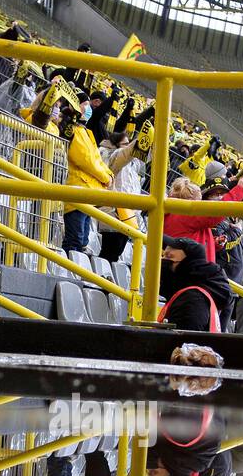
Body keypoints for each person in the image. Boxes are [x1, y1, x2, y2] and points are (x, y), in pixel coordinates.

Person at [61, 95, 113, 254]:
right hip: (78, 191)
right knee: (75, 240)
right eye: (84, 104)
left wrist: (108, 174)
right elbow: (85, 159)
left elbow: (95, 158)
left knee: (82, 241)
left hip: (87, 193)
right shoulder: (74, 131)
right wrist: (105, 177)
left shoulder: (84, 131)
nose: (87, 107)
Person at [162, 175, 243, 263]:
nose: (202, 204)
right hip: (194, 271)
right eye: (198, 202)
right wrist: (239, 189)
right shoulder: (184, 216)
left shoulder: (172, 216)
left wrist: (214, 243)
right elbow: (217, 212)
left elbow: (192, 241)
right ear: (189, 201)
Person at [158, 236, 232, 332]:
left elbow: (184, 343)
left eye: (169, 257)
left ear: (188, 264)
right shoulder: (193, 295)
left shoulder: (192, 300)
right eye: (163, 256)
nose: (162, 261)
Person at [97, 130, 146, 263]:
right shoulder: (112, 157)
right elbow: (125, 154)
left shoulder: (132, 164)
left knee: (115, 253)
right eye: (125, 143)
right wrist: (139, 141)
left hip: (127, 215)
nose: (128, 146)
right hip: (114, 213)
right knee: (110, 253)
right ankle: (100, 278)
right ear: (115, 144)